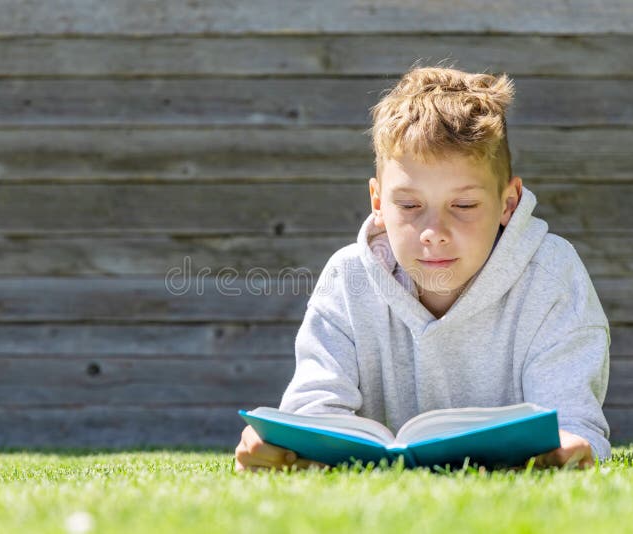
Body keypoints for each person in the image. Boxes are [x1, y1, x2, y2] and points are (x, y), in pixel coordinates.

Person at [235, 65, 610, 472]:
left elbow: (574, 425)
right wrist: (280, 448)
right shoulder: (348, 279)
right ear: (377, 202)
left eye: (463, 206)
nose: (434, 232)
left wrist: (571, 447)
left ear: (508, 203)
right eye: (410, 206)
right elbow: (313, 412)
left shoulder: (551, 276)